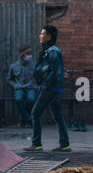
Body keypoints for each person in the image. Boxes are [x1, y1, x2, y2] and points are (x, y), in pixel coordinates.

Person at [29, 24, 69, 152]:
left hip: (50, 88)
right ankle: (65, 145)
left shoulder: (52, 52)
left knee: (35, 113)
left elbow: (55, 71)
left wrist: (44, 85)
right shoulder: (50, 50)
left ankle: (36, 144)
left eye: (42, 34)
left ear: (49, 37)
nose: (40, 36)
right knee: (58, 116)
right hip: (54, 88)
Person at [7, 44, 36, 127]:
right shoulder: (14, 66)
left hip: (30, 87)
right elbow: (9, 79)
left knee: (31, 98)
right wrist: (15, 85)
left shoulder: (34, 64)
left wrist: (34, 84)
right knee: (19, 99)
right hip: (19, 88)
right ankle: (29, 119)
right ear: (23, 55)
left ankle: (23, 118)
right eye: (29, 53)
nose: (30, 55)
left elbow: (36, 76)